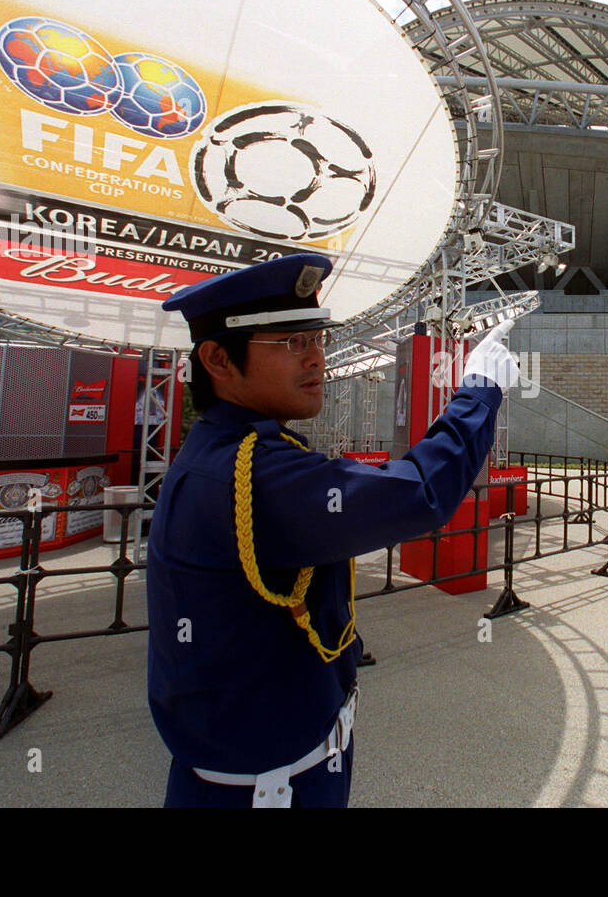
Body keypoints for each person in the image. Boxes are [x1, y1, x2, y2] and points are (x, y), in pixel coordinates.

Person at [147, 251, 518, 807]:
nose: (317, 359)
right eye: (292, 343)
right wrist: (479, 391)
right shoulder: (252, 473)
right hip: (273, 792)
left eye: (316, 339)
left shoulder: (225, 452)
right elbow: (420, 491)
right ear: (218, 359)